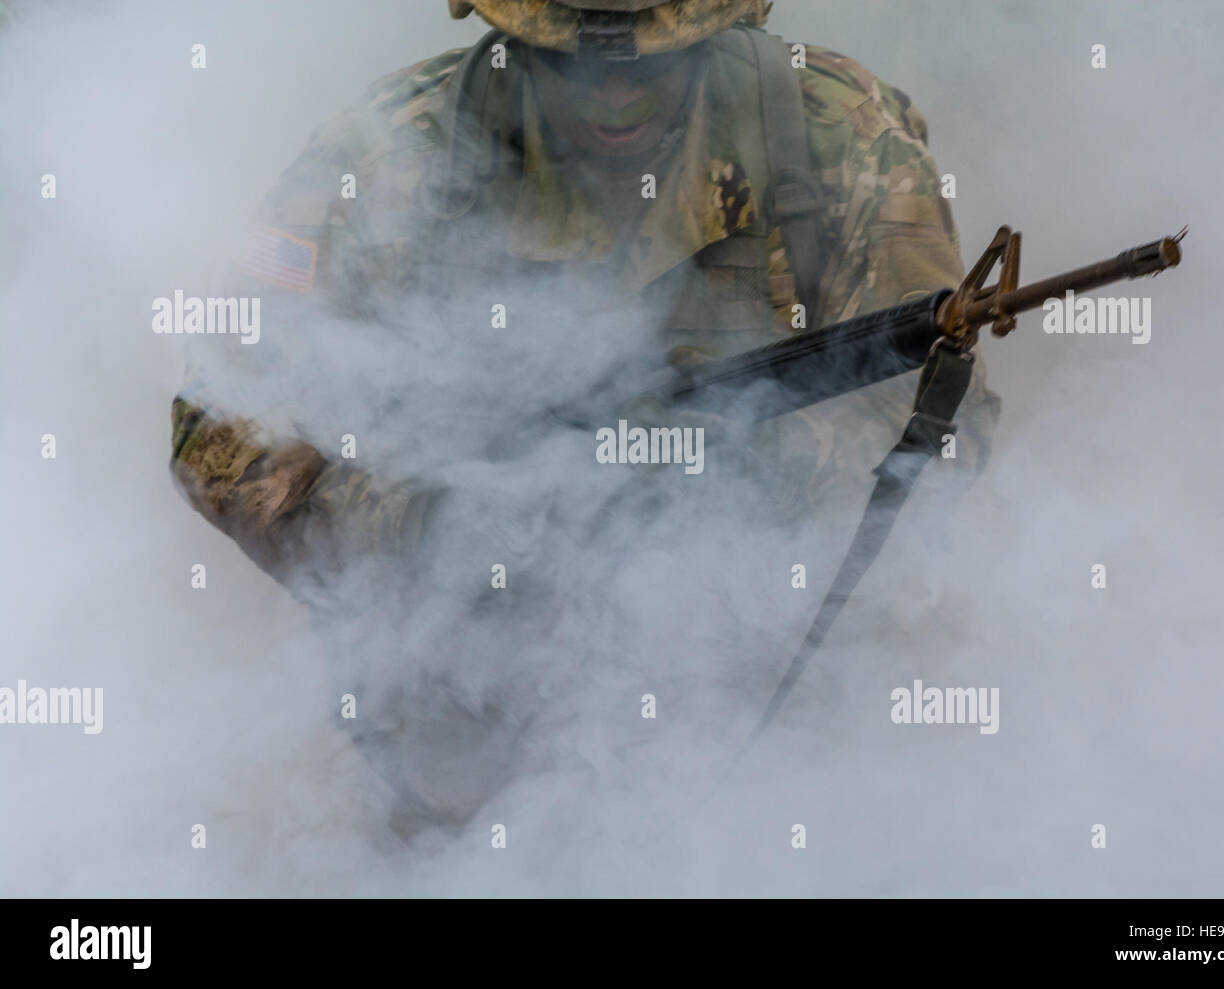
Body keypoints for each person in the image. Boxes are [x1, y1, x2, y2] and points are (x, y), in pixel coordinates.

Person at [168, 0, 999, 832]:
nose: (615, 96)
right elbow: (216, 425)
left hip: (775, 703)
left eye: (655, 62)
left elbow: (941, 419)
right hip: (475, 732)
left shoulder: (834, 133)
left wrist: (760, 470)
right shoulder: (388, 156)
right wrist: (419, 524)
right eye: (570, 61)